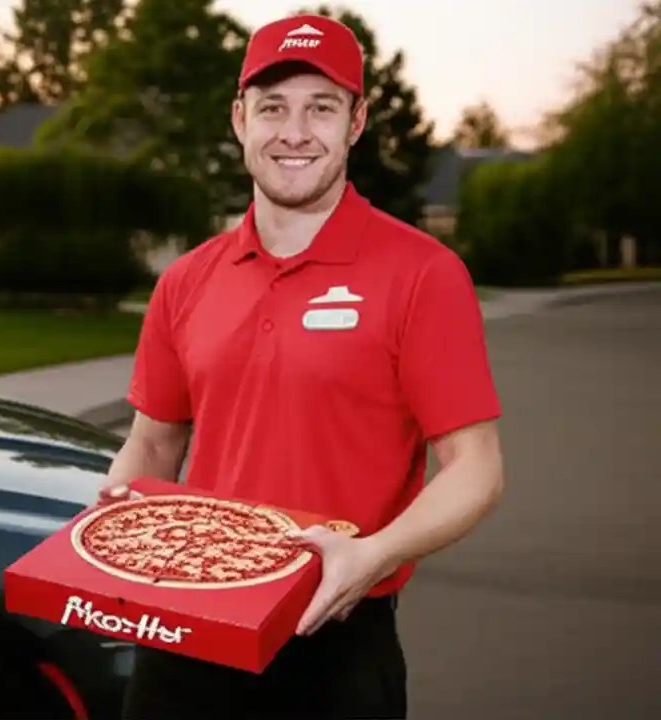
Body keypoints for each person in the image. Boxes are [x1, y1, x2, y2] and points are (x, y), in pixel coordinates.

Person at [101, 12, 506, 720]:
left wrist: (373, 554)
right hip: (186, 631)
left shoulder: (423, 274)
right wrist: (115, 536)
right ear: (239, 119)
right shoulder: (187, 280)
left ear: (356, 121)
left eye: (321, 107)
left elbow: (475, 466)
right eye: (273, 107)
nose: (294, 131)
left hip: (335, 638)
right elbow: (154, 441)